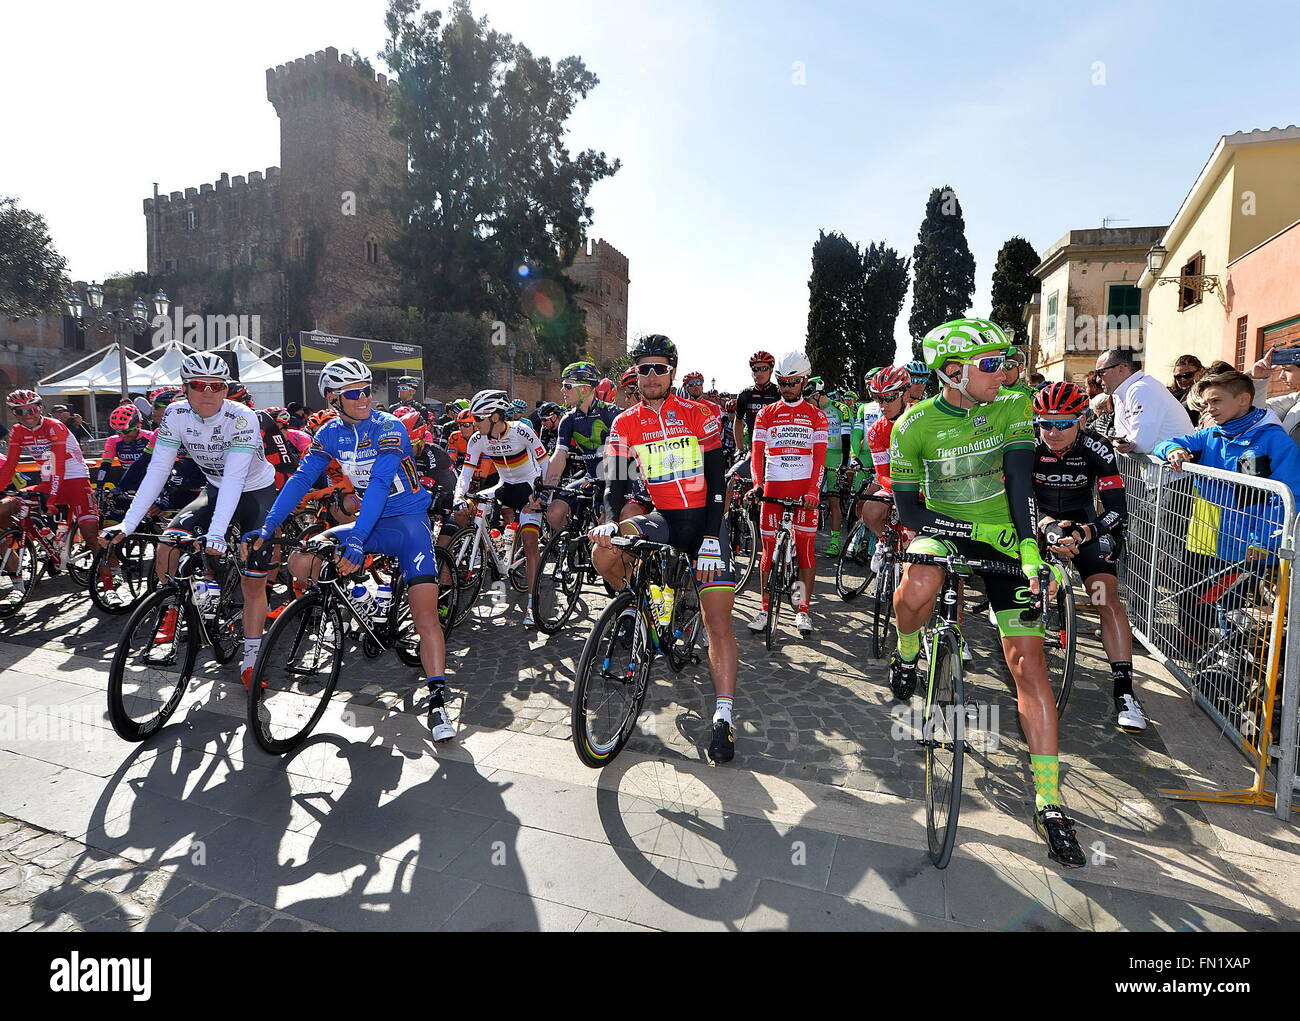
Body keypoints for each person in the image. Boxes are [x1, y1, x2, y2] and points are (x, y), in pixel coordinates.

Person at [890, 317, 1085, 868]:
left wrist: (1026, 547)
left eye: (1005, 363)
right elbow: (908, 511)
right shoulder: (913, 425)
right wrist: (977, 532)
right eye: (991, 365)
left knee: (1028, 663)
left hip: (1007, 533)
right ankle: (908, 651)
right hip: (942, 527)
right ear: (953, 373)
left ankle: (1049, 800)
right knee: (920, 582)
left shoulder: (1013, 405)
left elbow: (1022, 482)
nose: (1005, 373)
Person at [248, 357, 453, 740]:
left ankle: (439, 700)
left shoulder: (389, 426)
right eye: (354, 393)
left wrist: (357, 538)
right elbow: (299, 479)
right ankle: (360, 600)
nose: (365, 398)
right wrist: (268, 525)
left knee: (425, 617)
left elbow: (378, 483)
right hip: (366, 523)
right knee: (301, 558)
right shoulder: (328, 434)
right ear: (333, 399)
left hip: (407, 525)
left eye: (367, 390)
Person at [590, 334, 740, 763]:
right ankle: (644, 607)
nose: (650, 376)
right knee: (605, 552)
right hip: (664, 518)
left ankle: (723, 719)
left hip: (705, 522)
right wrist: (609, 523)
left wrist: (712, 536)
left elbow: (717, 482)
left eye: (659, 368)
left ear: (672, 371)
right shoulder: (624, 423)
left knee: (718, 623)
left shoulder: (699, 414)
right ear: (635, 373)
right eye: (643, 368)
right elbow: (613, 484)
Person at [102, 353, 280, 689]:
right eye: (198, 385)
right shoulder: (175, 413)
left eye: (217, 385)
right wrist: (126, 524)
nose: (208, 392)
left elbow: (235, 477)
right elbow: (158, 469)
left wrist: (215, 533)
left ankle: (252, 659)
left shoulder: (242, 417)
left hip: (255, 493)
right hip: (213, 489)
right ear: (185, 388)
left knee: (252, 582)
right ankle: (171, 613)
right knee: (169, 544)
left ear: (226, 388)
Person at [1154, 369, 1300, 651]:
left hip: (1254, 548)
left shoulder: (1275, 440)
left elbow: (1290, 497)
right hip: (1214, 540)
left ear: (1244, 399)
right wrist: (1173, 450)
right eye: (1207, 403)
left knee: (1237, 614)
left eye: (1216, 402)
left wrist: (1265, 542)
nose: (1209, 409)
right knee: (1212, 603)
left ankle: (1232, 669)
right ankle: (1215, 659)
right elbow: (1168, 443)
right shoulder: (1212, 434)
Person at [1031, 382, 1145, 733]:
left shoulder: (1099, 449)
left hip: (1085, 530)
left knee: (1104, 597)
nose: (1053, 432)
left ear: (1081, 420)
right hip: (1038, 525)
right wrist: (1047, 528)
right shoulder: (1027, 447)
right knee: (1028, 591)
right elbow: (1017, 498)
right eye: (1046, 422)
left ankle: (1125, 692)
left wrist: (1084, 533)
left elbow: (1117, 511)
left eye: (1063, 423)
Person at [744, 350, 827, 637]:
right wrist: (757, 485)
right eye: (782, 382)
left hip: (804, 491)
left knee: (805, 553)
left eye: (792, 382)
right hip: (774, 488)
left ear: (804, 381)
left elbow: (819, 459)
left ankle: (803, 609)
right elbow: (757, 454)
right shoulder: (766, 414)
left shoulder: (817, 416)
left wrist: (814, 491)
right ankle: (765, 608)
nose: (786, 388)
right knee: (767, 553)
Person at [0, 390, 112, 599]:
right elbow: (9, 468)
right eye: (20, 411)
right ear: (14, 413)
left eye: (31, 409)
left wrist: (52, 497)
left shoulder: (54, 426)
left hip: (75, 478)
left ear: (40, 408)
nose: (27, 415)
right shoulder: (17, 432)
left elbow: (59, 464)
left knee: (90, 534)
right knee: (8, 506)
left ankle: (109, 586)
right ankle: (41, 547)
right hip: (48, 478)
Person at [453, 389, 549, 627]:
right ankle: (500, 550)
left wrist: (542, 494)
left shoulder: (521, 431)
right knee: (484, 511)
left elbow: (545, 462)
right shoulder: (478, 440)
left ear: (495, 416)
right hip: (504, 485)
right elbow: (465, 473)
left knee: (529, 543)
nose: (473, 424)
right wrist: (458, 496)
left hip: (528, 486)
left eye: (477, 418)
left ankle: (531, 602)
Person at [544, 361, 618, 535]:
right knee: (554, 514)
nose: (562, 390)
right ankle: (575, 545)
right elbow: (559, 457)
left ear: (584, 389)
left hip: (614, 478)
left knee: (605, 524)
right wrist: (545, 492)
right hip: (589, 477)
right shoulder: (568, 419)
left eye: (567, 385)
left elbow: (616, 459)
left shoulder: (612, 414)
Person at [1094, 348, 1191, 454]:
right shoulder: (1121, 393)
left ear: (1121, 369)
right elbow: (1123, 438)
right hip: (1161, 466)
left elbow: (1141, 445)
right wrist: (1116, 442)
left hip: (1175, 466)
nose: (1098, 379)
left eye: (1101, 372)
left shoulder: (1141, 389)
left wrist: (1120, 443)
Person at [805, 377, 852, 555]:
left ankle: (834, 542)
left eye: (810, 398)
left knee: (834, 501)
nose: (809, 402)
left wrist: (844, 465)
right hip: (816, 457)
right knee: (810, 498)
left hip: (836, 458)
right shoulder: (811, 411)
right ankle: (806, 538)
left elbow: (847, 438)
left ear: (817, 395)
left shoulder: (841, 409)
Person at [1249, 346, 1300, 448]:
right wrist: (1259, 380)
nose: (1281, 376)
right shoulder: (1294, 400)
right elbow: (1254, 415)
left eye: (1288, 370)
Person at [733, 351, 780, 449]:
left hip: (776, 450)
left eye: (764, 369)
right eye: (755, 369)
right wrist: (739, 448)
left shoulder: (779, 393)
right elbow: (738, 421)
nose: (759, 373)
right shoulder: (744, 394)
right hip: (754, 449)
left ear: (771, 370)